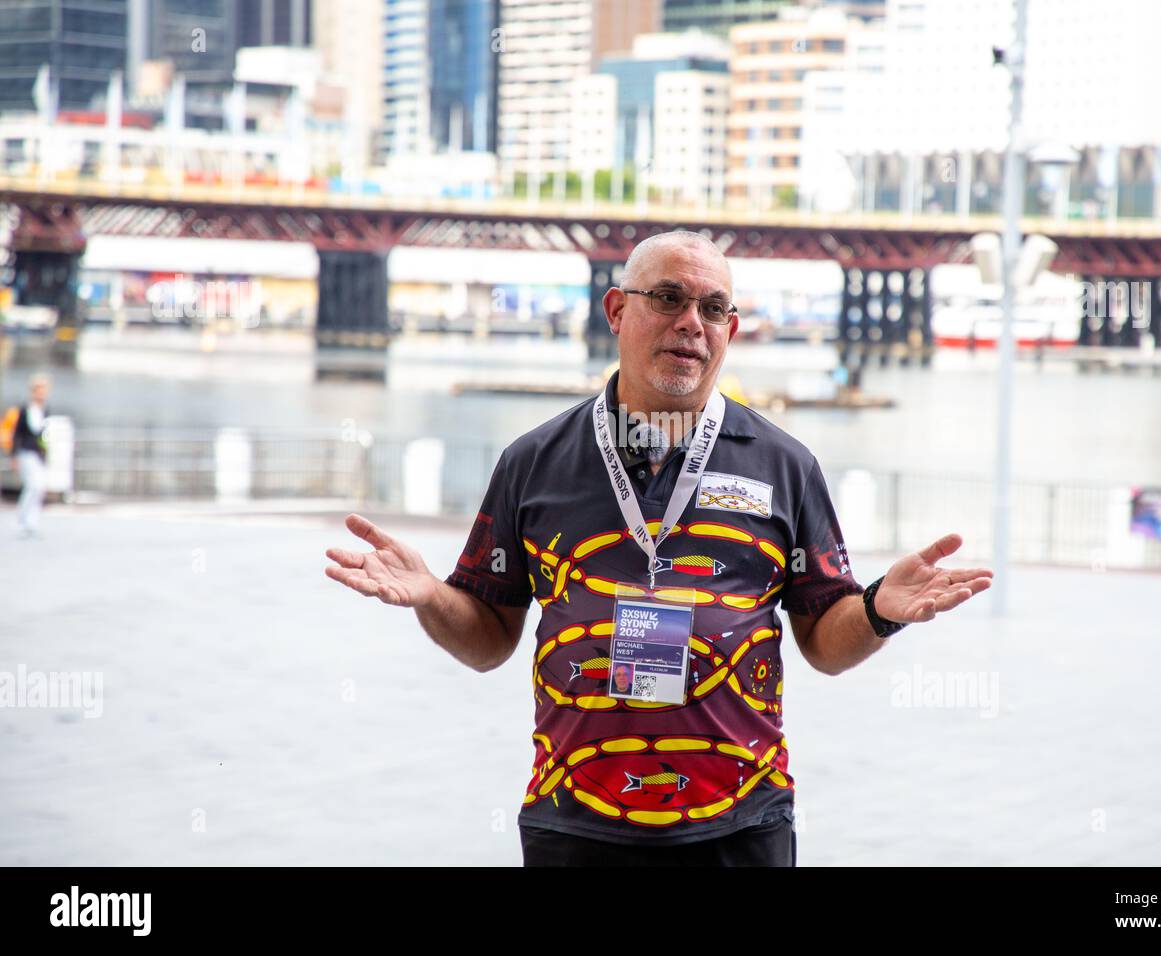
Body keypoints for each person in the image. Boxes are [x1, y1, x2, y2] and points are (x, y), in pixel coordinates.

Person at [324, 230, 993, 867]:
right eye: (669, 298)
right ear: (618, 310)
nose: (691, 323)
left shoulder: (784, 466)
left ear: (730, 328)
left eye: (714, 308)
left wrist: (878, 609)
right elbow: (488, 638)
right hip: (575, 820)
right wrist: (431, 597)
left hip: (740, 826)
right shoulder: (533, 462)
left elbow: (824, 641)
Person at [10, 373, 51, 539]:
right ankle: (23, 517)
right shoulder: (25, 410)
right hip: (25, 452)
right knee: (33, 485)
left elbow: (43, 435)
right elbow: (17, 433)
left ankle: (32, 521)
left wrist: (45, 450)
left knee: (39, 487)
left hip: (37, 453)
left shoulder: (45, 410)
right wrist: (14, 455)